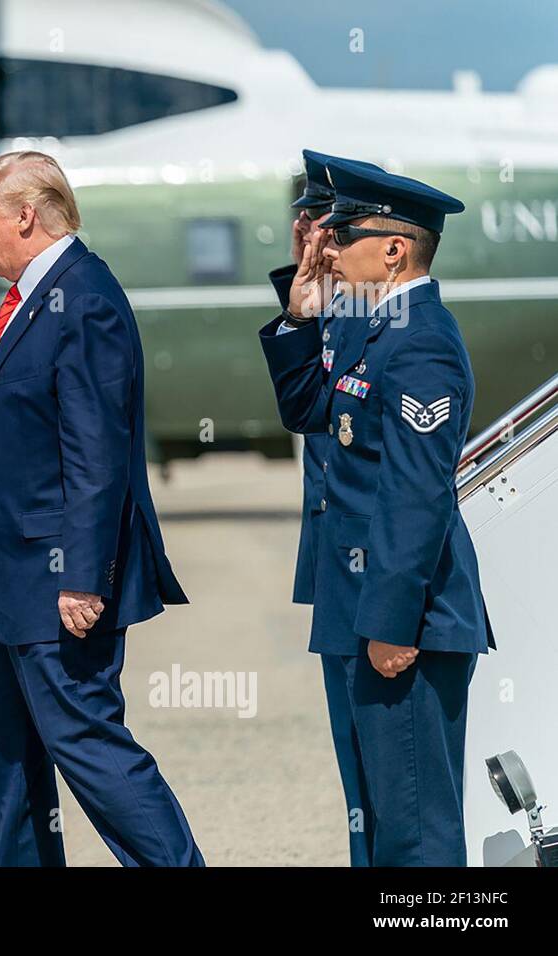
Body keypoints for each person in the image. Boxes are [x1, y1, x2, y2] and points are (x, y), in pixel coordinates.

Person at [0, 151, 200, 867]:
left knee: (91, 747)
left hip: (55, 581)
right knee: (11, 766)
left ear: (25, 214)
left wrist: (84, 575)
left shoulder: (85, 300)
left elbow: (97, 454)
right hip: (15, 579)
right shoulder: (34, 296)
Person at [259, 158, 493, 866]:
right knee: (373, 823)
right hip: (353, 603)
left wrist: (392, 623)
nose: (325, 245)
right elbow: (309, 412)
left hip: (401, 617)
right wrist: (301, 314)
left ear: (394, 248)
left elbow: (416, 497)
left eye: (342, 232)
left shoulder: (421, 341)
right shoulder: (369, 326)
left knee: (415, 832)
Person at [266, 149, 380, 866]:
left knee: (389, 770)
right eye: (302, 217)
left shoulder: (380, 323)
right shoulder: (325, 314)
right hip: (335, 564)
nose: (308, 232)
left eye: (325, 221)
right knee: (358, 772)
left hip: (375, 571)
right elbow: (302, 411)